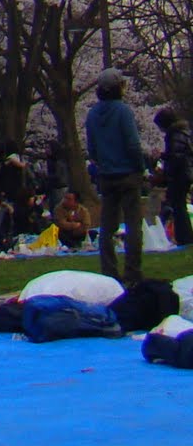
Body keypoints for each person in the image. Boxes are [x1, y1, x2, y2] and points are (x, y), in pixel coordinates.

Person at [85, 67, 147, 285]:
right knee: (132, 226)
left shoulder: (92, 114)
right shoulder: (122, 111)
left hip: (106, 176)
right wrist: (140, 167)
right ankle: (132, 273)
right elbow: (132, 143)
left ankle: (109, 273)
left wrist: (103, 164)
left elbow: (91, 149)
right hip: (128, 174)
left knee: (107, 227)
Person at [154, 108, 192, 246]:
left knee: (178, 206)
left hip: (179, 175)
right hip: (183, 174)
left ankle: (185, 237)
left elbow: (177, 155)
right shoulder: (181, 132)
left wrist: (164, 156)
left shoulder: (175, 134)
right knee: (179, 206)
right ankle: (184, 236)